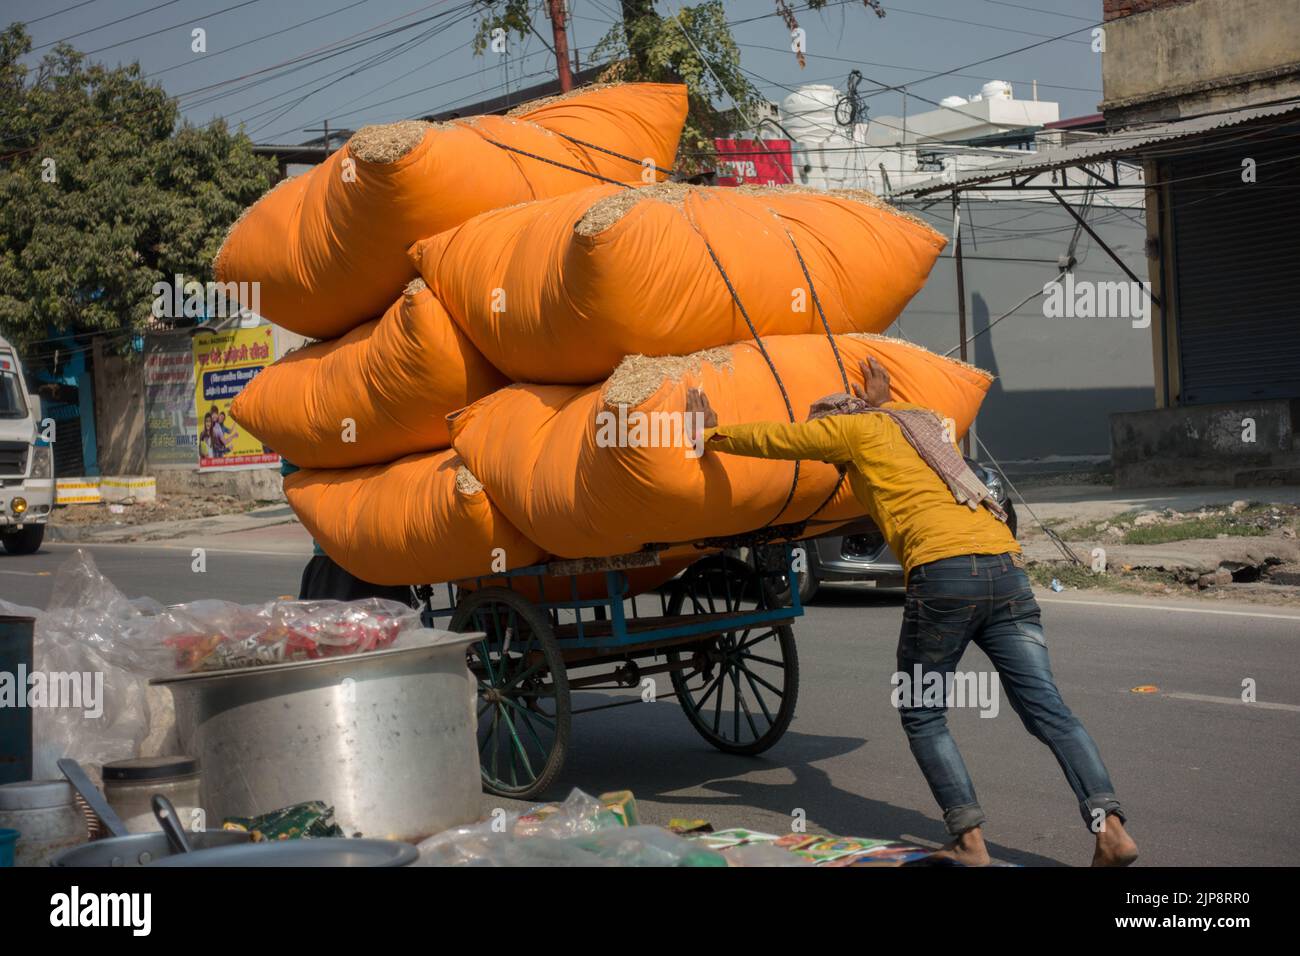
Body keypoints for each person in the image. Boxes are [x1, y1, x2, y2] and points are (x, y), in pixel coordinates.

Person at [685, 357, 1137, 867]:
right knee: (1048, 711)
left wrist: (715, 435)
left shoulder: (851, 431)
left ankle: (969, 841)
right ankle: (1111, 831)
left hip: (944, 576)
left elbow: (780, 440)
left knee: (922, 712)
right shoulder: (917, 427)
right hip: (1006, 569)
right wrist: (877, 405)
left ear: (837, 421)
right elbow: (888, 437)